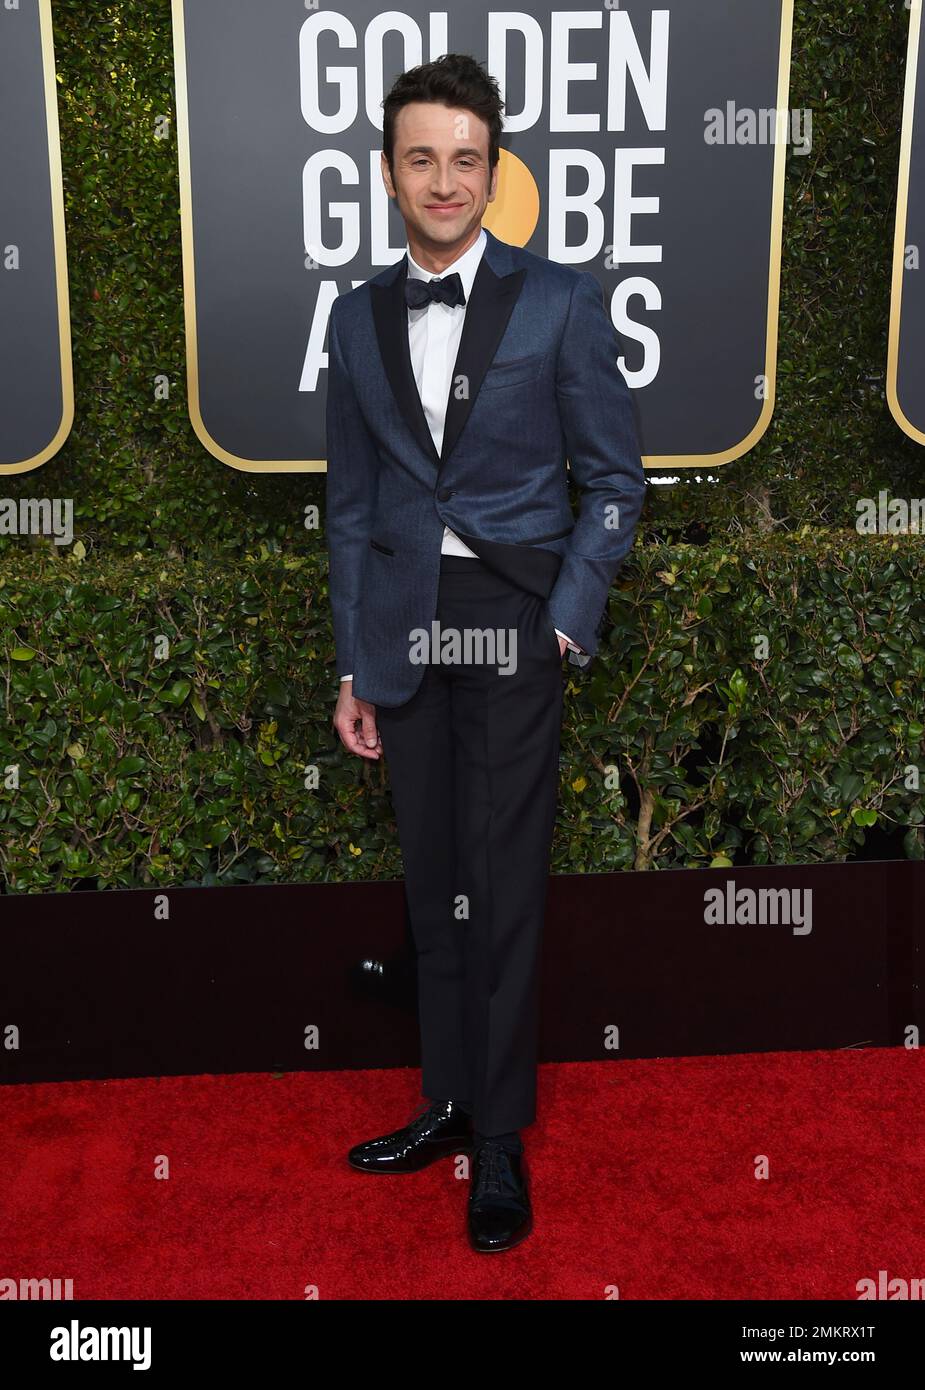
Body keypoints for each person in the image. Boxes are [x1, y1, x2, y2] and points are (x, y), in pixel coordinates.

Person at [325, 53, 645, 1252]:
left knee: (503, 884)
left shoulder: (560, 300)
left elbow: (615, 483)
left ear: (492, 169)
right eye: (421, 158)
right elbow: (351, 506)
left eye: (465, 159)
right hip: (404, 629)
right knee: (432, 880)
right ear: (393, 172)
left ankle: (498, 1140)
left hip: (515, 621)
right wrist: (351, 665)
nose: (443, 180)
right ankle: (445, 1101)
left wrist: (567, 617)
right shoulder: (356, 318)